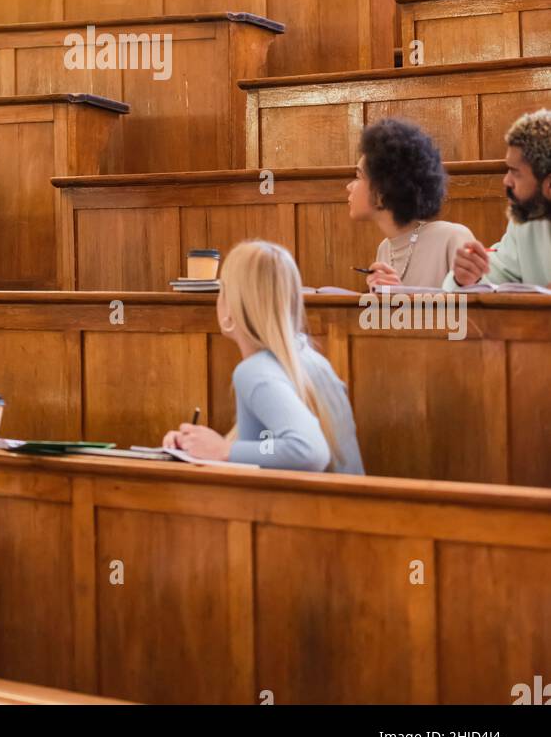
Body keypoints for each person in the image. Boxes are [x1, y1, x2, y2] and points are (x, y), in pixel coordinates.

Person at [163, 240, 364, 473]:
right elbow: (270, 447)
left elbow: (308, 450)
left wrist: (225, 451)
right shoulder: (310, 359)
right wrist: (205, 445)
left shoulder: (255, 370)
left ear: (232, 304)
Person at [346, 118, 475, 289]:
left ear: (383, 189)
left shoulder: (453, 238)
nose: (349, 186)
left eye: (359, 176)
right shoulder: (385, 249)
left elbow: (475, 313)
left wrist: (404, 297)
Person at [444, 109, 551, 290]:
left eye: (515, 172)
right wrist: (467, 277)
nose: (506, 180)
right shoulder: (527, 223)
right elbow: (492, 274)